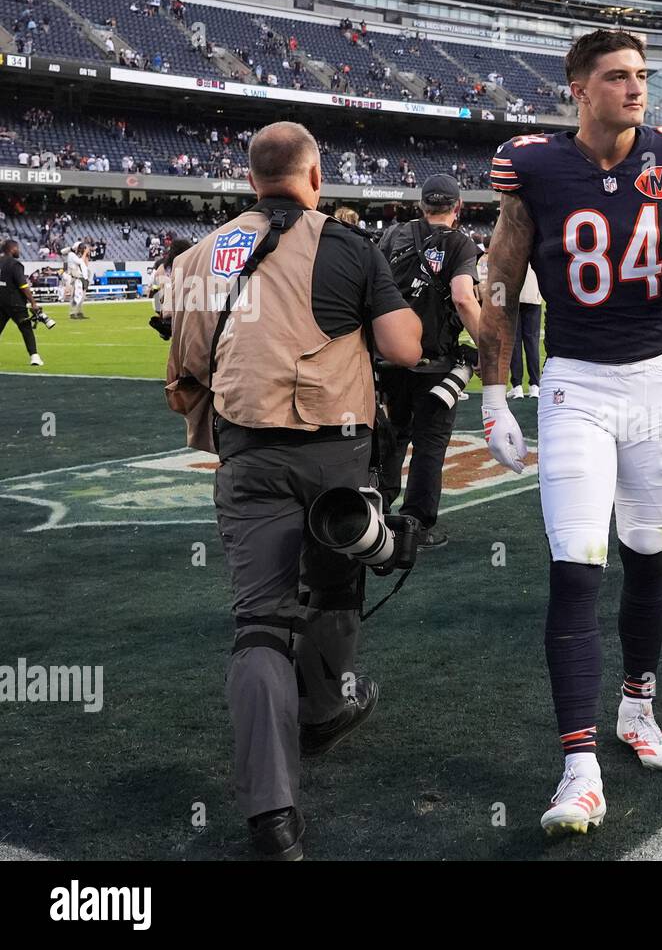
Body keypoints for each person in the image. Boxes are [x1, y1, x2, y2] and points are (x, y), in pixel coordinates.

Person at [477, 29, 662, 836]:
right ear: (579, 87)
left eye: (642, 75)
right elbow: (501, 279)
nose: (636, 87)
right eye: (618, 76)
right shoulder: (535, 164)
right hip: (576, 384)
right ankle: (577, 768)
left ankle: (637, 707)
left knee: (649, 557)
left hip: (657, 383)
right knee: (576, 565)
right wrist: (495, 394)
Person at [162, 121, 422, 860]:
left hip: (247, 455)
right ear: (316, 177)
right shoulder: (345, 244)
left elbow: (185, 373)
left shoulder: (200, 256)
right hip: (335, 454)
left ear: (251, 180)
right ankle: (322, 709)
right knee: (336, 588)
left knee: (258, 626)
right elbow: (404, 348)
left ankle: (272, 820)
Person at [375, 174, 482, 549]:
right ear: (458, 207)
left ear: (421, 206)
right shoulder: (461, 243)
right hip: (435, 364)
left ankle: (375, 517)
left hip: (389, 358)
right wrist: (487, 345)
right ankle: (416, 525)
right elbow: (464, 298)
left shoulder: (393, 235)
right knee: (429, 444)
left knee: (390, 438)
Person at [0, 239, 46, 366]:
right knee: (26, 329)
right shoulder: (15, 264)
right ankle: (34, 357)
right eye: (17, 248)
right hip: (15, 303)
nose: (19, 250)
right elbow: (23, 285)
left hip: (1, 302)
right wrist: (33, 302)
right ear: (12, 249)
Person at [508, 264, 542, 399]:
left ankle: (517, 386)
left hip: (514, 295)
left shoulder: (513, 246)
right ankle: (534, 385)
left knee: (515, 343)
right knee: (532, 343)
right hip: (532, 294)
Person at [62, 241, 91, 320]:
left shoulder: (79, 256)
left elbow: (85, 265)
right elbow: (80, 262)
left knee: (82, 296)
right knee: (75, 296)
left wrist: (86, 255)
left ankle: (79, 312)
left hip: (81, 277)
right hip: (74, 277)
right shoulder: (71, 255)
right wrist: (84, 253)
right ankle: (72, 313)